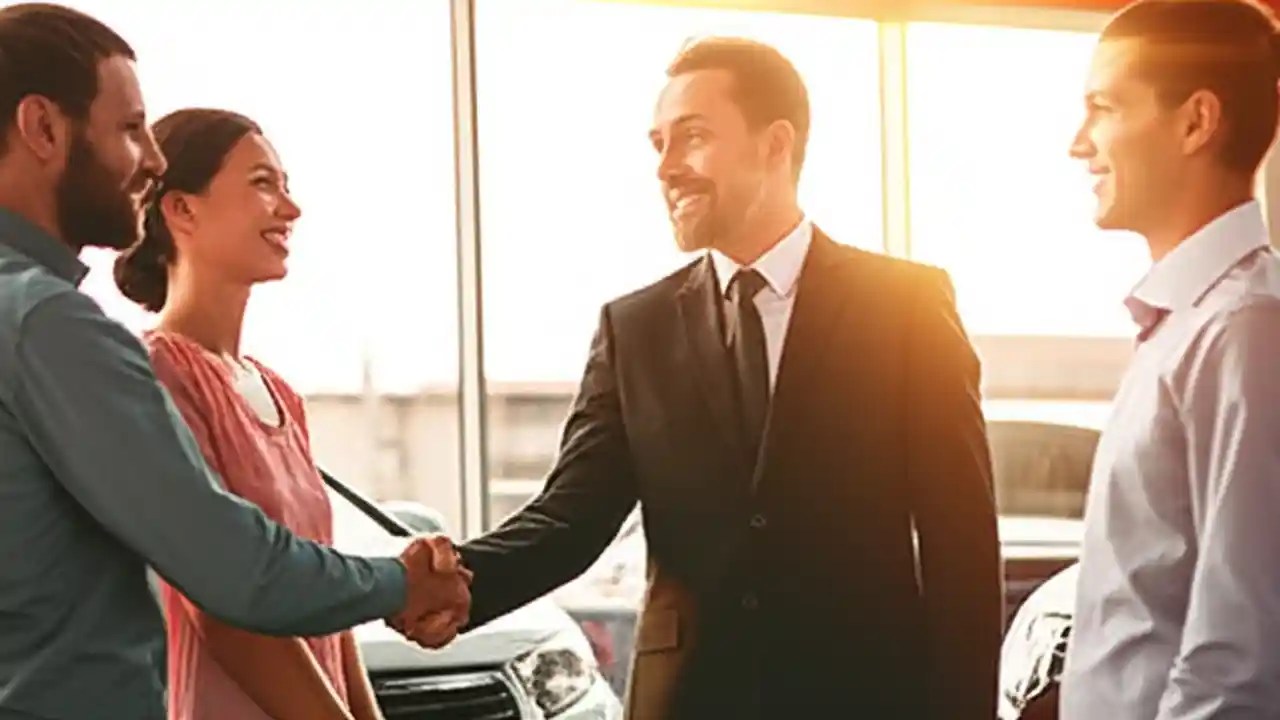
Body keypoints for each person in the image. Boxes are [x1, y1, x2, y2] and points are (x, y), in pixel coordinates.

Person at [418, 37, 1003, 719]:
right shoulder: (633, 329)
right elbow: (570, 518)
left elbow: (961, 541)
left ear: (775, 145)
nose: (666, 167)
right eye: (658, 144)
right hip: (691, 700)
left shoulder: (905, 306)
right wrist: (458, 579)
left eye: (691, 138)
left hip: (865, 696)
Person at [0, 5, 469, 719]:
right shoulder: (48, 325)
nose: (152, 162)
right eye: (130, 130)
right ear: (42, 128)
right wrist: (406, 582)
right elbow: (234, 571)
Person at [110, 108, 386, 720]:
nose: (290, 209)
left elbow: (323, 603)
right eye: (263, 184)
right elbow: (223, 607)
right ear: (181, 209)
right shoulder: (158, 372)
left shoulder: (279, 391)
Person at [1061, 1, 1280, 718]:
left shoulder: (1245, 329)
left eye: (1102, 108)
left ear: (1195, 122)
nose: (1078, 144)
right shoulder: (1187, 323)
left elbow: (1239, 655)